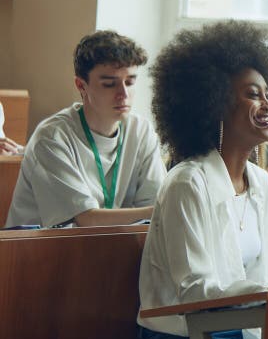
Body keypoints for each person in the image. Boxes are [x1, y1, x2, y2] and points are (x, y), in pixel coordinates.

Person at [137, 20, 268, 339]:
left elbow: (264, 281)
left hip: (240, 332)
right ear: (215, 104)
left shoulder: (260, 182)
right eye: (253, 94)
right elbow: (195, 292)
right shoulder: (187, 183)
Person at [5, 31, 166, 228]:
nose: (123, 94)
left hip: (110, 243)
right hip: (40, 246)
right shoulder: (52, 137)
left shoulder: (142, 131)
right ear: (81, 85)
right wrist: (164, 211)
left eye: (130, 82)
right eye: (109, 84)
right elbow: (85, 220)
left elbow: (154, 207)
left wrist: (160, 212)